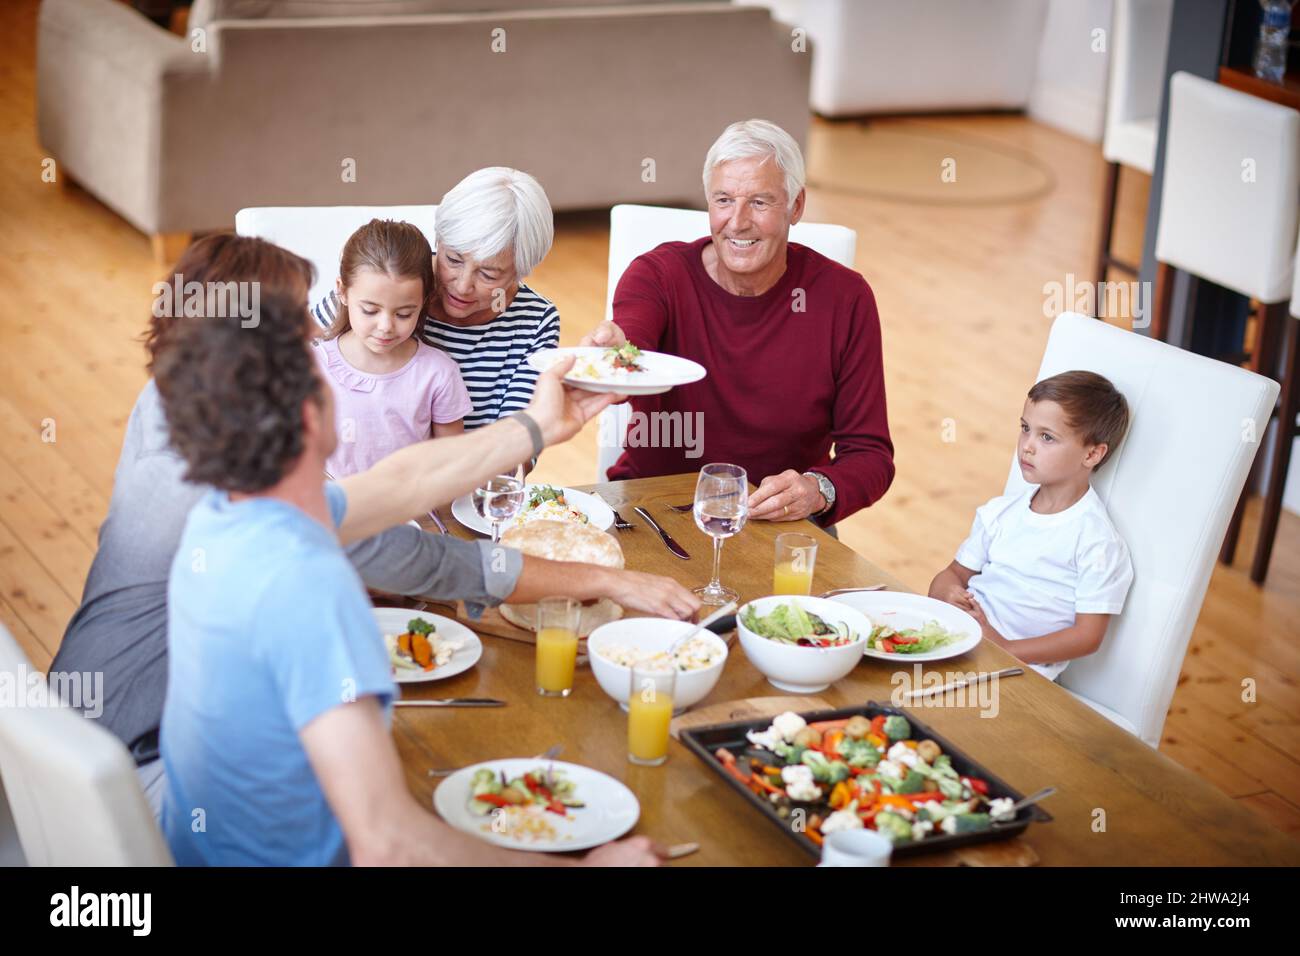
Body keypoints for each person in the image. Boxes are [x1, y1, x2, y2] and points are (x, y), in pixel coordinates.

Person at [50, 234, 699, 818]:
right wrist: (602, 579)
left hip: (87, 733)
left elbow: (387, 492)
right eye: (298, 332)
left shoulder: (174, 407)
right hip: (129, 773)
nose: (317, 341)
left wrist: (536, 428)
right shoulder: (239, 500)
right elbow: (405, 550)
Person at [154, 287, 660, 865]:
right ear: (308, 412)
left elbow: (400, 483)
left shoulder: (230, 513)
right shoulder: (307, 586)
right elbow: (389, 846)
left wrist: (540, 425)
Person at [582, 119, 894, 528]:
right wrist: (615, 355)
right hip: (653, 508)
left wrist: (818, 489)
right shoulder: (657, 276)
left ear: (796, 206)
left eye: (760, 202)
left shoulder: (845, 297)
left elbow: (870, 454)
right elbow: (630, 343)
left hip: (779, 521)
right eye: (724, 200)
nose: (738, 221)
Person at [314, 167, 560, 429]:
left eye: (488, 275)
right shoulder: (389, 281)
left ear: (520, 272)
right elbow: (285, 363)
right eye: (453, 260)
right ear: (439, 240)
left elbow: (520, 436)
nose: (462, 286)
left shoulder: (535, 320)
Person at [928, 371, 1135, 681]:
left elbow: (1088, 636)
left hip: (1016, 674)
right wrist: (949, 594)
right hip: (957, 643)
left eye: (1046, 437)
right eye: (1025, 429)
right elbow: (952, 575)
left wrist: (1005, 648)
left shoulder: (1097, 541)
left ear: (1092, 454)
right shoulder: (1000, 513)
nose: (1027, 446)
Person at [315, 218, 471, 477]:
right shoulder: (313, 366)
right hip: (332, 507)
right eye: (370, 310)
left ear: (424, 302)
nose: (386, 326)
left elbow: (451, 460)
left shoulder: (438, 373)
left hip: (412, 511)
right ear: (342, 292)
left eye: (403, 314)